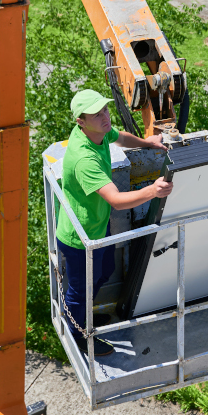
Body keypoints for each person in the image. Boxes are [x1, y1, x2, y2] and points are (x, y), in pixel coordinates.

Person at [56, 90, 173, 356]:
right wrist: (153, 192)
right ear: (80, 121)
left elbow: (118, 137)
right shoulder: (84, 159)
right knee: (80, 291)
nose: (105, 117)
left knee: (104, 271)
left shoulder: (97, 132)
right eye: (97, 114)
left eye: (105, 110)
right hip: (79, 238)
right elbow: (117, 200)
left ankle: (83, 317)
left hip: (97, 226)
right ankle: (79, 337)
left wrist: (147, 143)